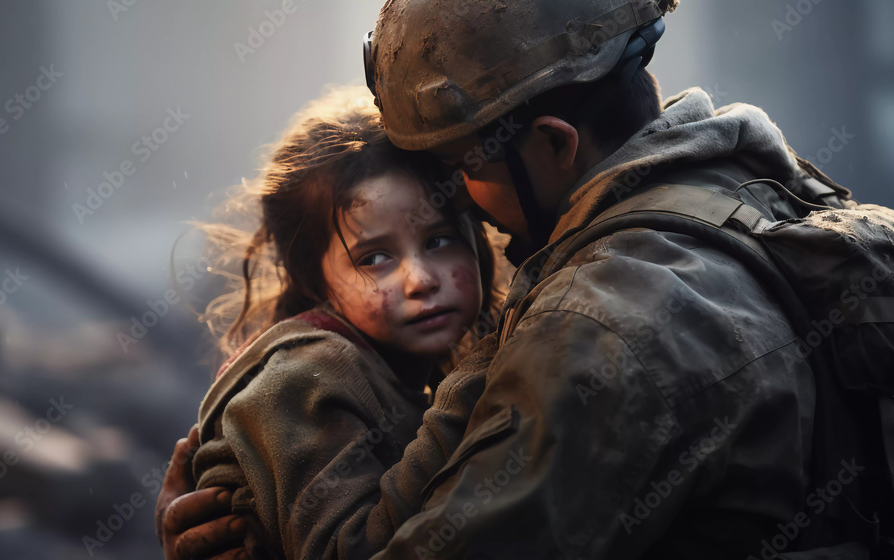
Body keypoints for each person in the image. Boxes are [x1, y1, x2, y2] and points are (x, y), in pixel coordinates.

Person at [158, 1, 888, 558]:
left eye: (466, 168)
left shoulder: (601, 326)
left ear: (550, 144)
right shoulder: (770, 197)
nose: (466, 202)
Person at [157, 85, 508, 560]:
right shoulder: (305, 378)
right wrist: (466, 394)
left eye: (440, 240)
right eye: (375, 257)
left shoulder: (389, 370)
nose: (421, 279)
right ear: (315, 281)